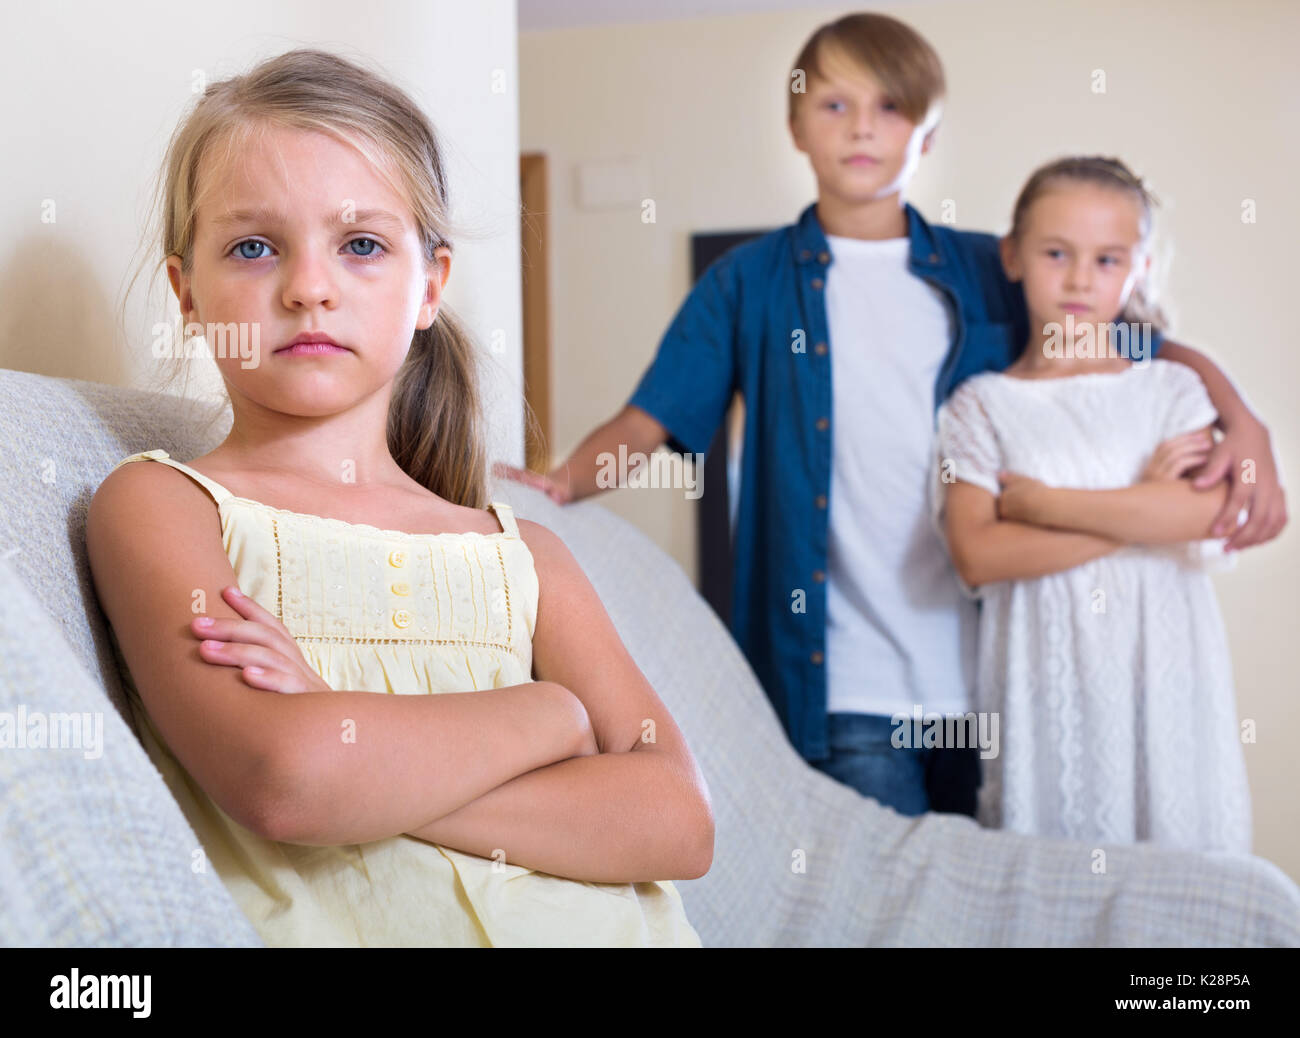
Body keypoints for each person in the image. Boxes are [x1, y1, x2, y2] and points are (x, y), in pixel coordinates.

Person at [497, 12, 1286, 817]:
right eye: (834, 105)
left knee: (981, 903)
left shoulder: (991, 265)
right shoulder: (749, 284)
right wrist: (558, 484)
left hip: (992, 671)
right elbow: (647, 422)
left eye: (891, 108)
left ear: (928, 135)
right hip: (840, 682)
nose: (862, 129)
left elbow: (1129, 347)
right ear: (795, 124)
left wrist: (1244, 421)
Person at [86, 48, 709, 948]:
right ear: (188, 293)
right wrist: (549, 716)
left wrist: (366, 760)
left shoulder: (524, 557)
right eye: (253, 246)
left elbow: (679, 821)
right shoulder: (161, 507)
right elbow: (288, 779)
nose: (308, 287)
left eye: (362, 245)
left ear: (431, 288)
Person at [932, 156, 1252, 852]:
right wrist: (1144, 510)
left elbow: (1201, 516)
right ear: (1013, 256)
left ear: (1137, 268)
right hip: (1046, 684)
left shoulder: (1169, 391)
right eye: (1057, 253)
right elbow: (979, 553)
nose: (1080, 278)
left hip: (1164, 676)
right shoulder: (981, 405)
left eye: (1108, 260)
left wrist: (1044, 505)